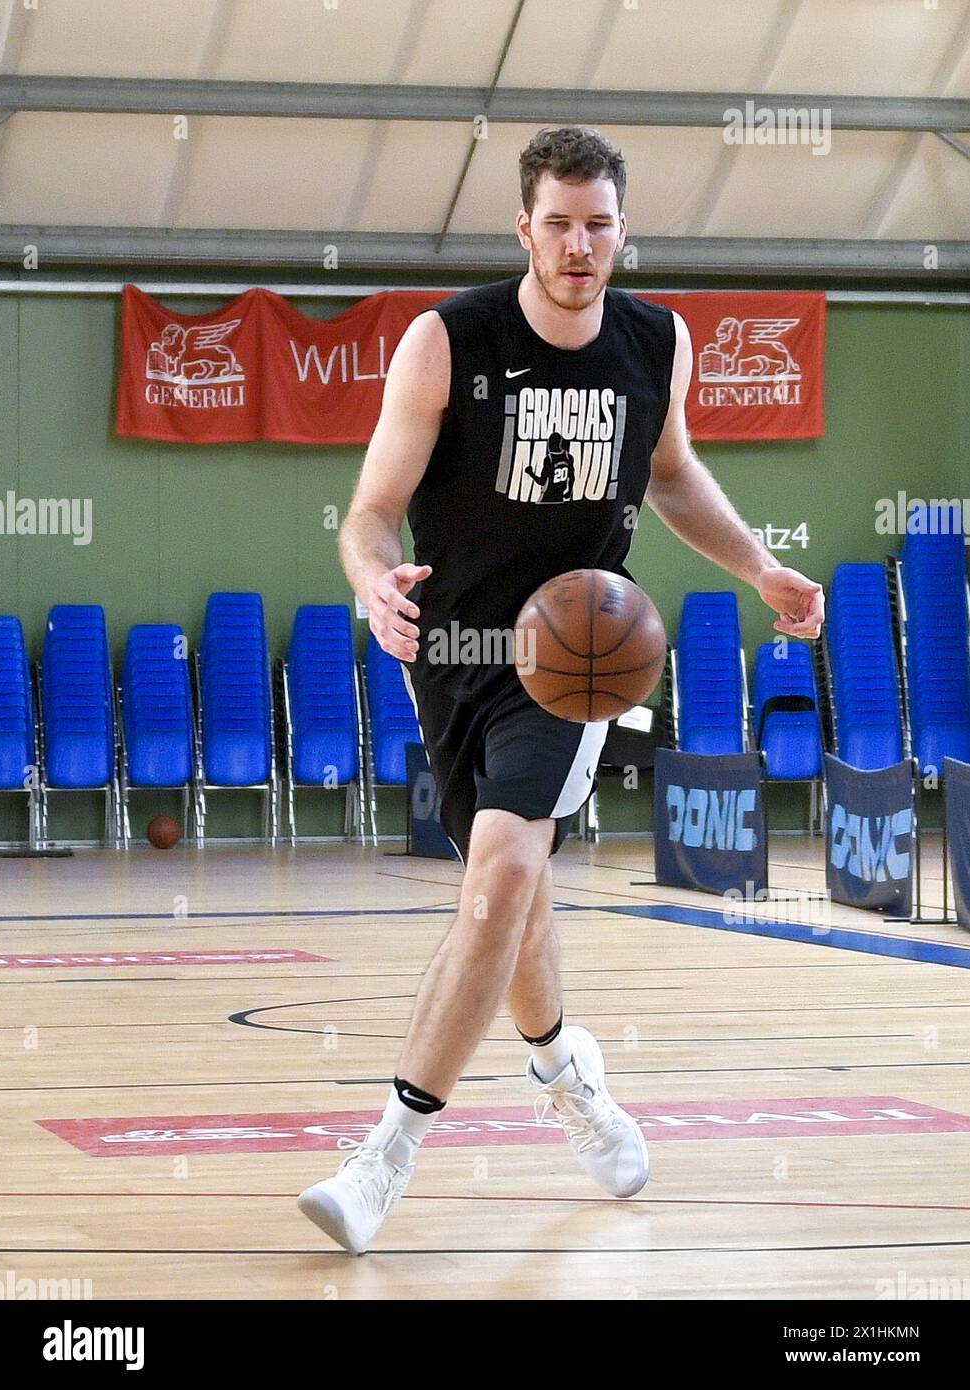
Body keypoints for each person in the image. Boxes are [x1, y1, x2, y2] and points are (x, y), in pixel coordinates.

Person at [298, 126, 824, 1254]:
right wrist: (369, 582)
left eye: (598, 224)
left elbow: (671, 472)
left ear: (622, 229)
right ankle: (562, 1066)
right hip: (450, 659)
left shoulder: (655, 343)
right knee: (515, 890)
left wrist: (756, 565)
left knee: (493, 882)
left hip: (573, 654)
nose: (578, 245)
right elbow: (367, 512)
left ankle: (384, 1152)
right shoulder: (446, 343)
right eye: (558, 223)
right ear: (522, 229)